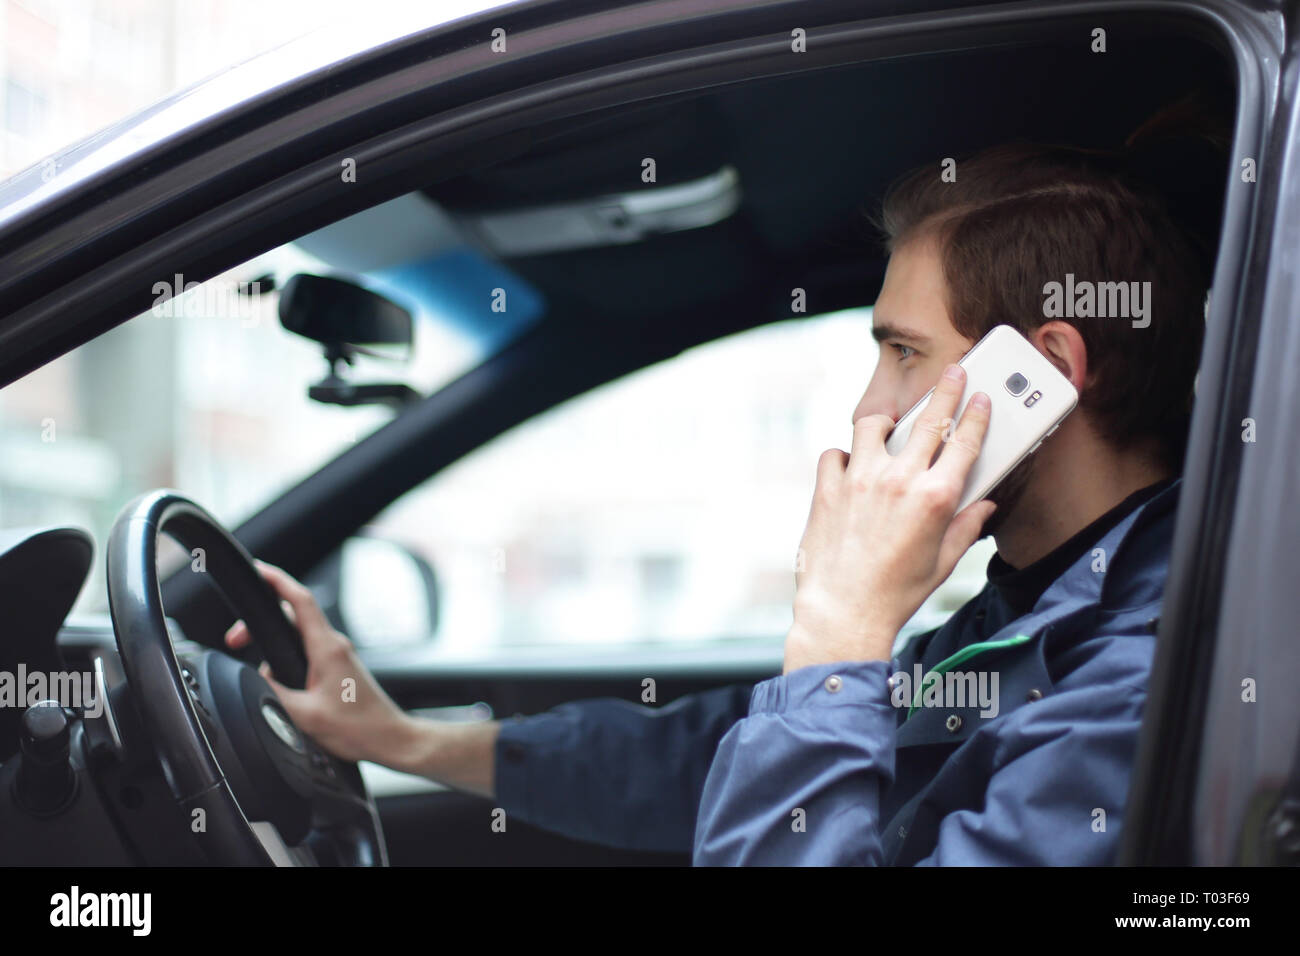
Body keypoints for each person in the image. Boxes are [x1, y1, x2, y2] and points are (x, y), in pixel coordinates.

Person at [226, 94, 1228, 865]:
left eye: (904, 352)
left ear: (1042, 373)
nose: (867, 408)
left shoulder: (1144, 679)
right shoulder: (1030, 601)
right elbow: (699, 758)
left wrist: (840, 634)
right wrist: (396, 735)